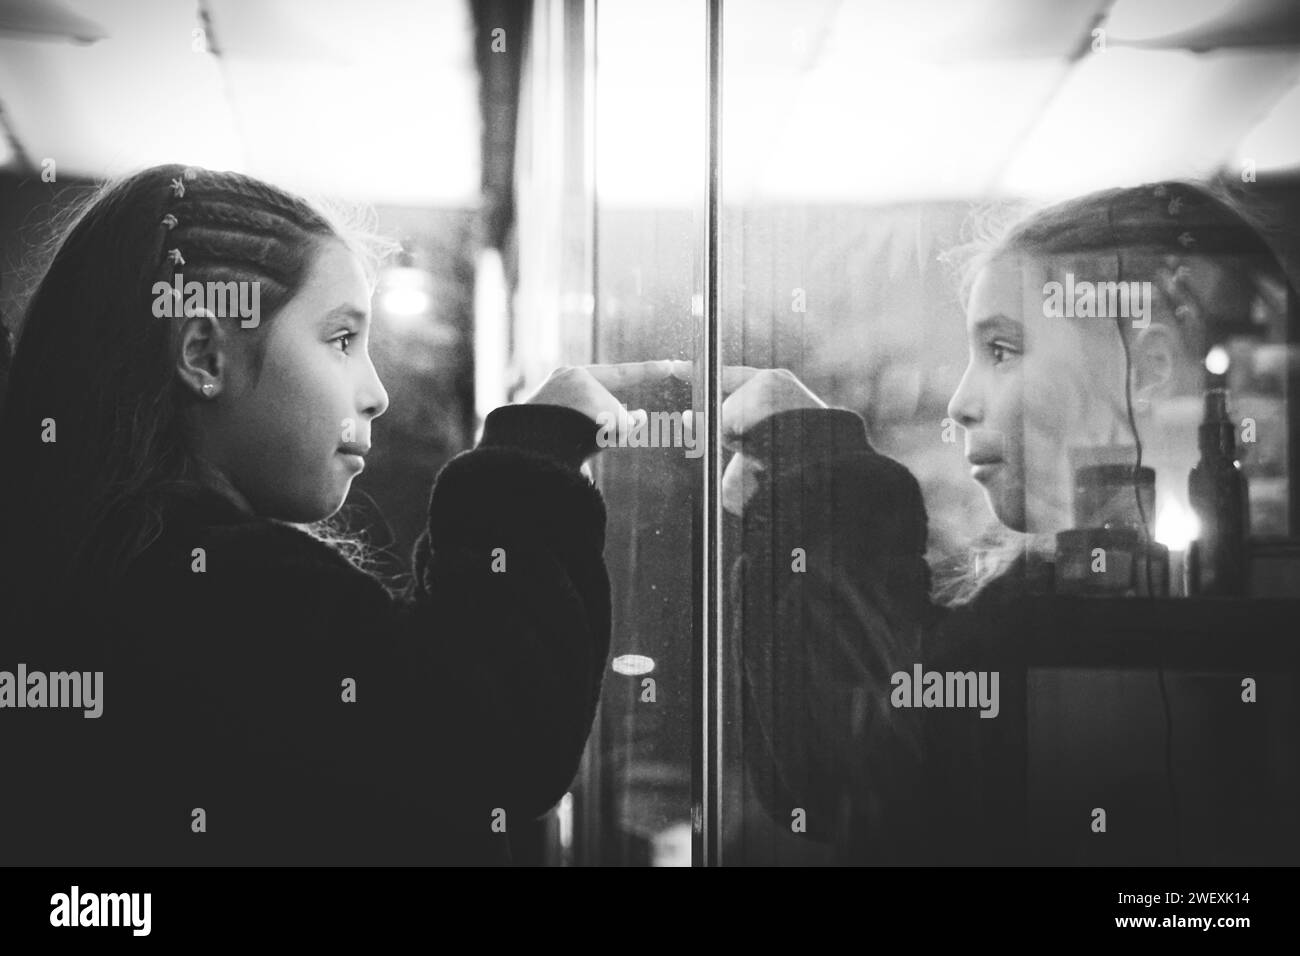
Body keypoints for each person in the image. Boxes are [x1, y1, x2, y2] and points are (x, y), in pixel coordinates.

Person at [0, 163, 662, 865]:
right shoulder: (217, 588)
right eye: (342, 339)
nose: (376, 393)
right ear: (203, 356)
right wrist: (536, 458)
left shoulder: (100, 566)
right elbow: (490, 744)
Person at [719, 180, 1294, 863]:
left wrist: (814, 474)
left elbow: (877, 779)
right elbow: (829, 770)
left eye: (1002, 350)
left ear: (1150, 368)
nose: (961, 401)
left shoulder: (1113, 624)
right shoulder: (1051, 603)